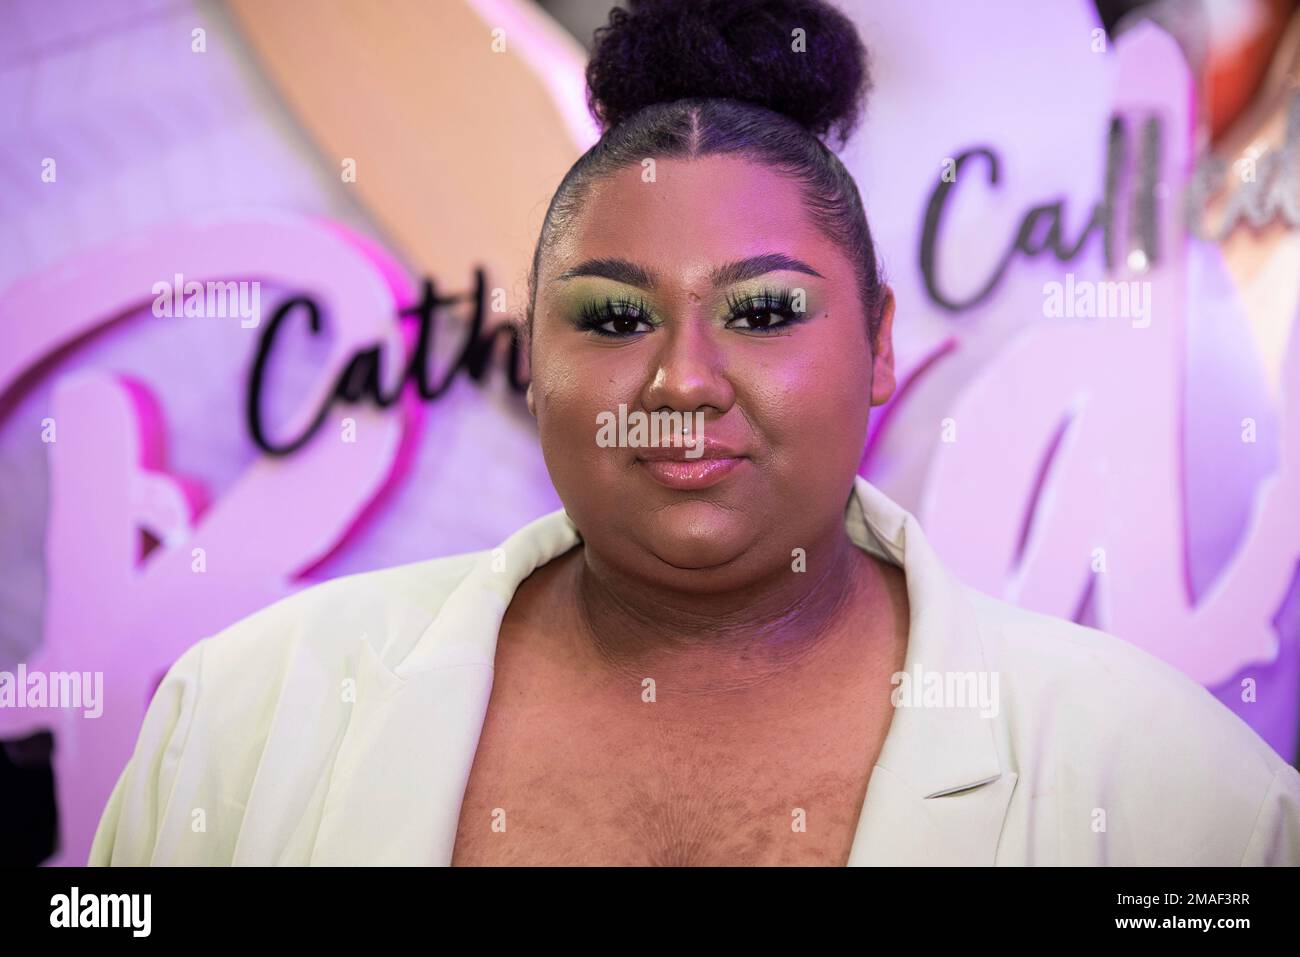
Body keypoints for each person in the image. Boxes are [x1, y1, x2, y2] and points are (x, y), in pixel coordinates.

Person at [90, 0, 1300, 866]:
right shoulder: (240, 720)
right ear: (529, 348)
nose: (683, 377)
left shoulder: (1177, 794)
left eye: (764, 311)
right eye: (614, 314)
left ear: (878, 346)